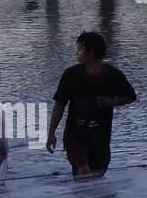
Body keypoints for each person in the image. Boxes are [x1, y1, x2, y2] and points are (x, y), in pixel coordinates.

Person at [46, 32, 136, 179]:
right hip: (75, 136)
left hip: (100, 137)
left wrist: (110, 102)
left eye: (80, 49)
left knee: (97, 177)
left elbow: (131, 96)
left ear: (91, 52)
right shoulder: (70, 75)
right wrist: (51, 134)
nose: (76, 53)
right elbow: (59, 104)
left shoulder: (113, 75)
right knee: (83, 171)